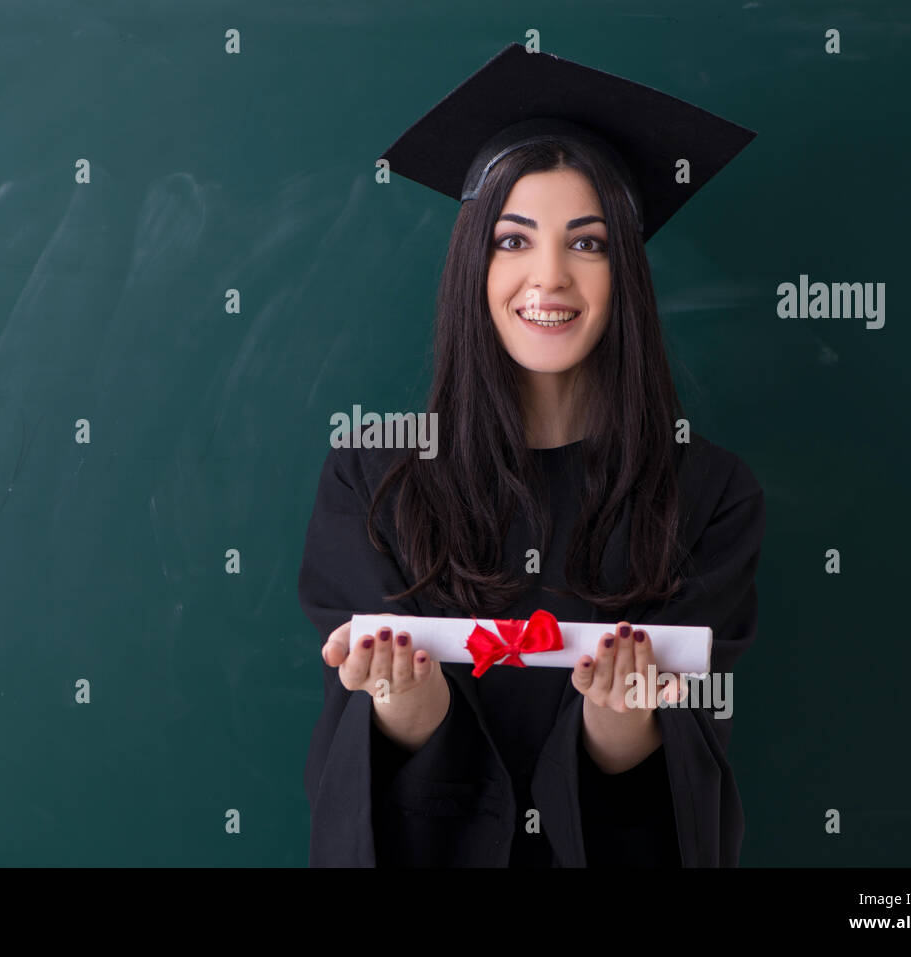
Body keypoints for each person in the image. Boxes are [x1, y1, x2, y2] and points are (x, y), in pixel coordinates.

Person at [298, 43, 766, 867]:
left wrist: (619, 723)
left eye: (587, 244)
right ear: (472, 264)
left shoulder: (706, 493)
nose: (548, 278)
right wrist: (413, 708)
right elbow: (358, 782)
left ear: (625, 272)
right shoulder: (374, 481)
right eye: (513, 241)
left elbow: (682, 790)